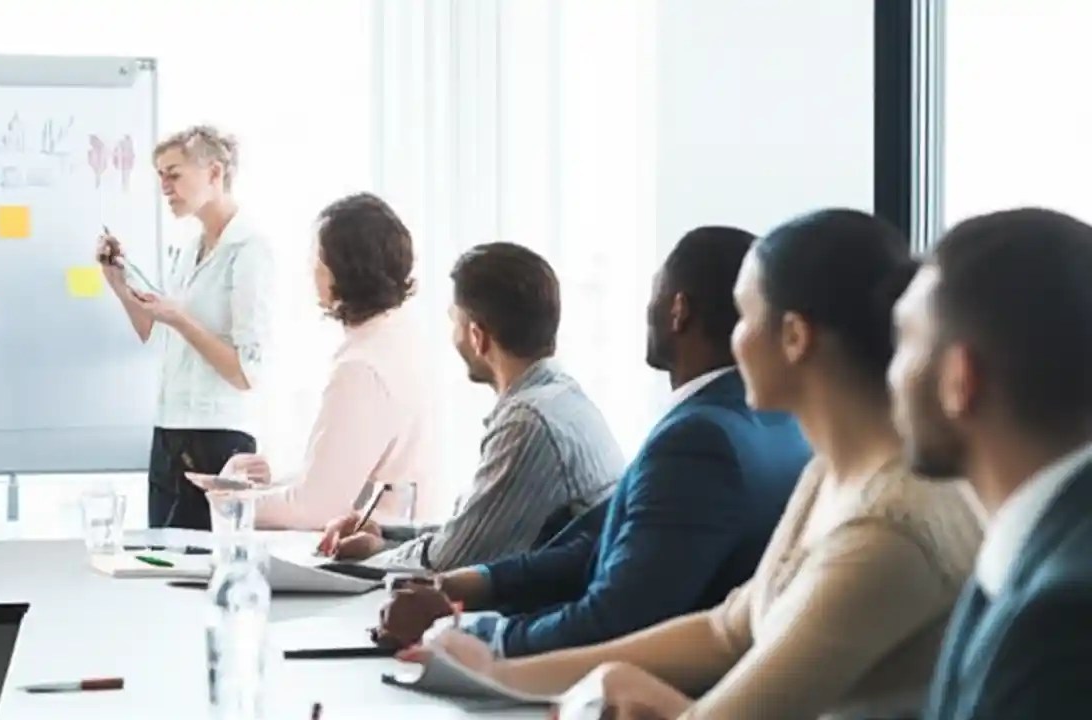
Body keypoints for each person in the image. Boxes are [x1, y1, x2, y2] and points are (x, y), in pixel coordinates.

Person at [410, 209, 984, 719]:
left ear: (794, 337)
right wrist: (500, 673)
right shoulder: (831, 472)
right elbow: (728, 630)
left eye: (744, 316)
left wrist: (624, 687)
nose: (734, 339)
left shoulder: (888, 526)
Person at [376, 226, 811, 656]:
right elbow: (605, 545)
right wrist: (473, 584)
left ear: (679, 310)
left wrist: (462, 635)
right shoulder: (772, 422)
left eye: (654, 291)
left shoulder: (698, 439)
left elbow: (612, 621)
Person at [889, 208, 1092, 719]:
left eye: (905, 340)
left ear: (960, 379)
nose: (891, 375)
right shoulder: (1045, 543)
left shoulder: (1059, 621)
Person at [310, 241, 623, 567]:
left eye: (454, 321)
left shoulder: (528, 423)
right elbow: (474, 531)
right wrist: (385, 534)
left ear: (477, 337)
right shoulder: (563, 398)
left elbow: (452, 559)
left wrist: (375, 555)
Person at [221, 193, 437, 530]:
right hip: (400, 541)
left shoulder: (361, 368)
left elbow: (315, 509)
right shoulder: (401, 338)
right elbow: (343, 480)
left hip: (371, 551)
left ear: (344, 270)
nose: (310, 270)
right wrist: (270, 486)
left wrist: (228, 502)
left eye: (316, 258)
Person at [98, 125, 271, 530]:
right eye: (160, 175)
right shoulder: (190, 248)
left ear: (215, 173)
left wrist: (179, 317)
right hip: (169, 429)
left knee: (203, 558)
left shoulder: (249, 250)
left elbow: (246, 372)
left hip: (217, 436)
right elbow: (156, 333)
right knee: (159, 557)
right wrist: (118, 283)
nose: (165, 187)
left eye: (173, 174)